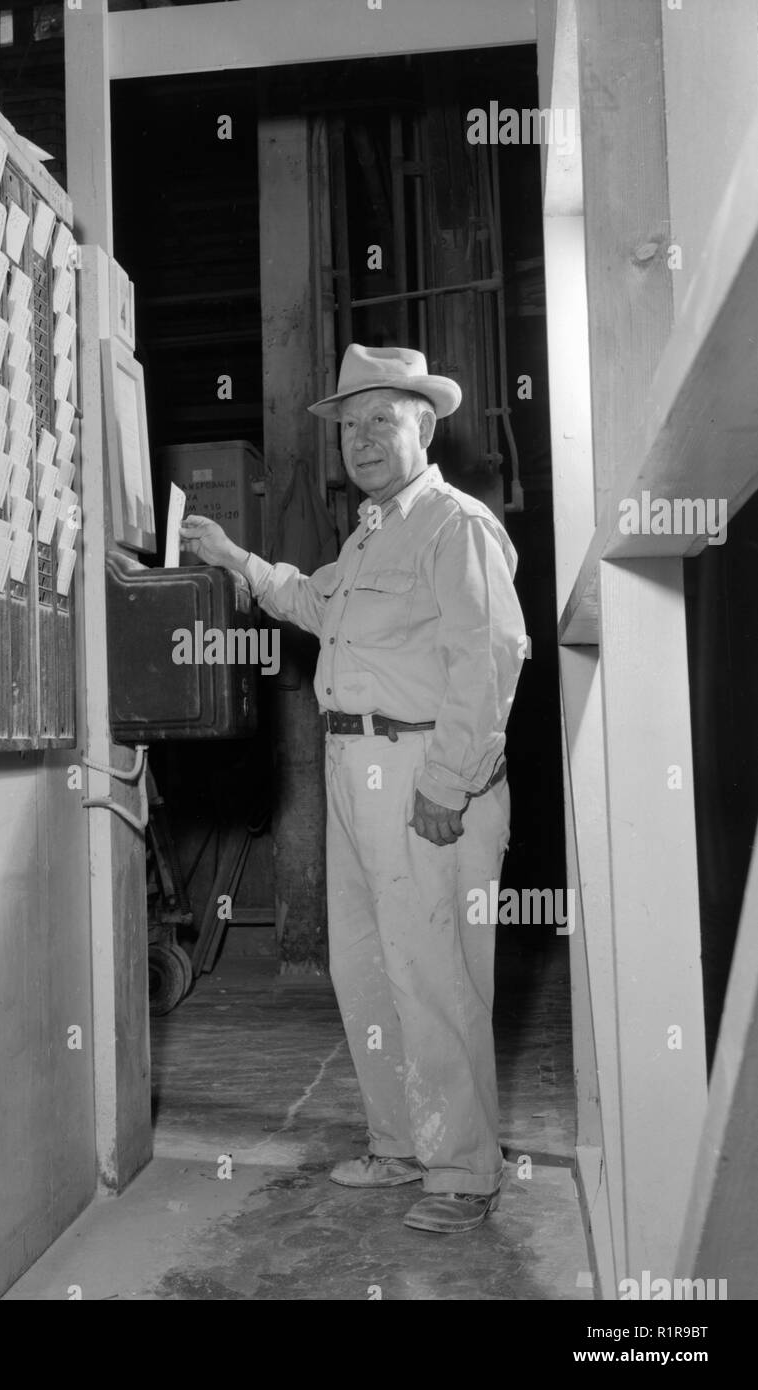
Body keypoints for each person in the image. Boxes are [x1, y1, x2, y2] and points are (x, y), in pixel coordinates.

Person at [180, 345, 527, 1233]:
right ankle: (401, 1144)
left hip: (425, 772)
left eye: (383, 418)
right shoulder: (375, 531)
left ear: (425, 423)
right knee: (366, 970)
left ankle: (461, 1172)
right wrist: (232, 558)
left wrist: (449, 783)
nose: (363, 439)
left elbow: (489, 659)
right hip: (356, 773)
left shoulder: (455, 525)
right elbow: (315, 602)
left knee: (435, 976)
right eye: (350, 425)